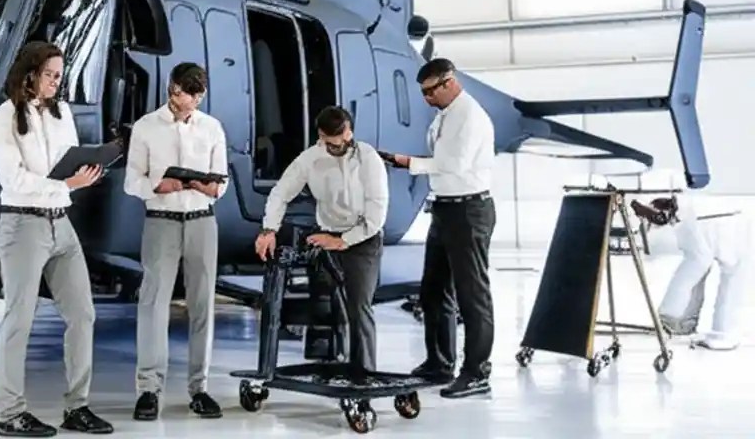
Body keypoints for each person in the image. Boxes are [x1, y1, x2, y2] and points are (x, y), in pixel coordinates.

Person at [0, 40, 114, 437]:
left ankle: (77, 407)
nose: (57, 82)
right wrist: (67, 185)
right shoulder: (4, 118)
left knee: (83, 314)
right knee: (18, 319)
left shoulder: (62, 113)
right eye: (50, 75)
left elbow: (66, 161)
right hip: (23, 225)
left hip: (61, 223)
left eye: (60, 75)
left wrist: (87, 171)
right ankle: (9, 414)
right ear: (29, 75)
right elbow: (14, 180)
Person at [124, 62, 228, 421]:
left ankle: (199, 389)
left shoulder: (212, 128)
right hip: (161, 221)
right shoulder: (146, 127)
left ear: (199, 96)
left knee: (202, 305)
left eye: (186, 94)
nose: (176, 97)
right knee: (153, 304)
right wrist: (157, 185)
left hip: (202, 221)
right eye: (176, 89)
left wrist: (208, 187)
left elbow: (221, 183)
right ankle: (149, 390)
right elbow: (131, 181)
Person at [254, 106, 389, 381]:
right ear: (321, 136)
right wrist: (269, 229)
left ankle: (363, 376)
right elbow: (280, 193)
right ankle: (327, 369)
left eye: (340, 142)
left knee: (359, 307)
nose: (335, 148)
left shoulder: (368, 159)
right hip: (326, 236)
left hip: (362, 239)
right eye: (329, 143)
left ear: (349, 133)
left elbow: (376, 215)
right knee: (325, 305)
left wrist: (342, 241)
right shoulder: (311, 159)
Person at [389, 57, 496, 399]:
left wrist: (408, 163)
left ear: (449, 82)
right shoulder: (446, 114)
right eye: (423, 93)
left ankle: (477, 372)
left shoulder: (469, 115)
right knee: (433, 291)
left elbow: (454, 164)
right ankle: (440, 362)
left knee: (472, 295)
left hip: (468, 210)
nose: (426, 99)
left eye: (431, 91)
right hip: (446, 208)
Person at [632, 195, 751, 350]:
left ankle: (677, 319)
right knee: (732, 273)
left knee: (696, 264)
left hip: (692, 211)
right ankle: (722, 333)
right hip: (728, 211)